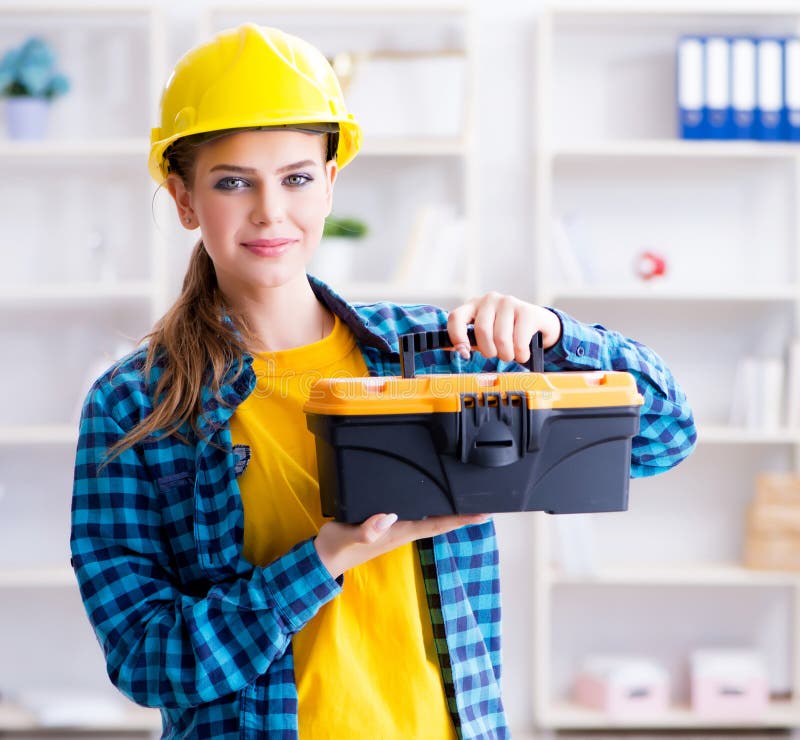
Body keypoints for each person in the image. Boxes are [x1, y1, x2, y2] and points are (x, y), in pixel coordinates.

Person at [70, 23, 696, 740]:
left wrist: (556, 339)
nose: (271, 211)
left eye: (296, 177)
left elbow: (665, 437)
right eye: (233, 182)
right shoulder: (136, 405)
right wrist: (327, 558)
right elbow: (148, 660)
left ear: (330, 184)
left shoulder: (435, 355)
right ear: (184, 200)